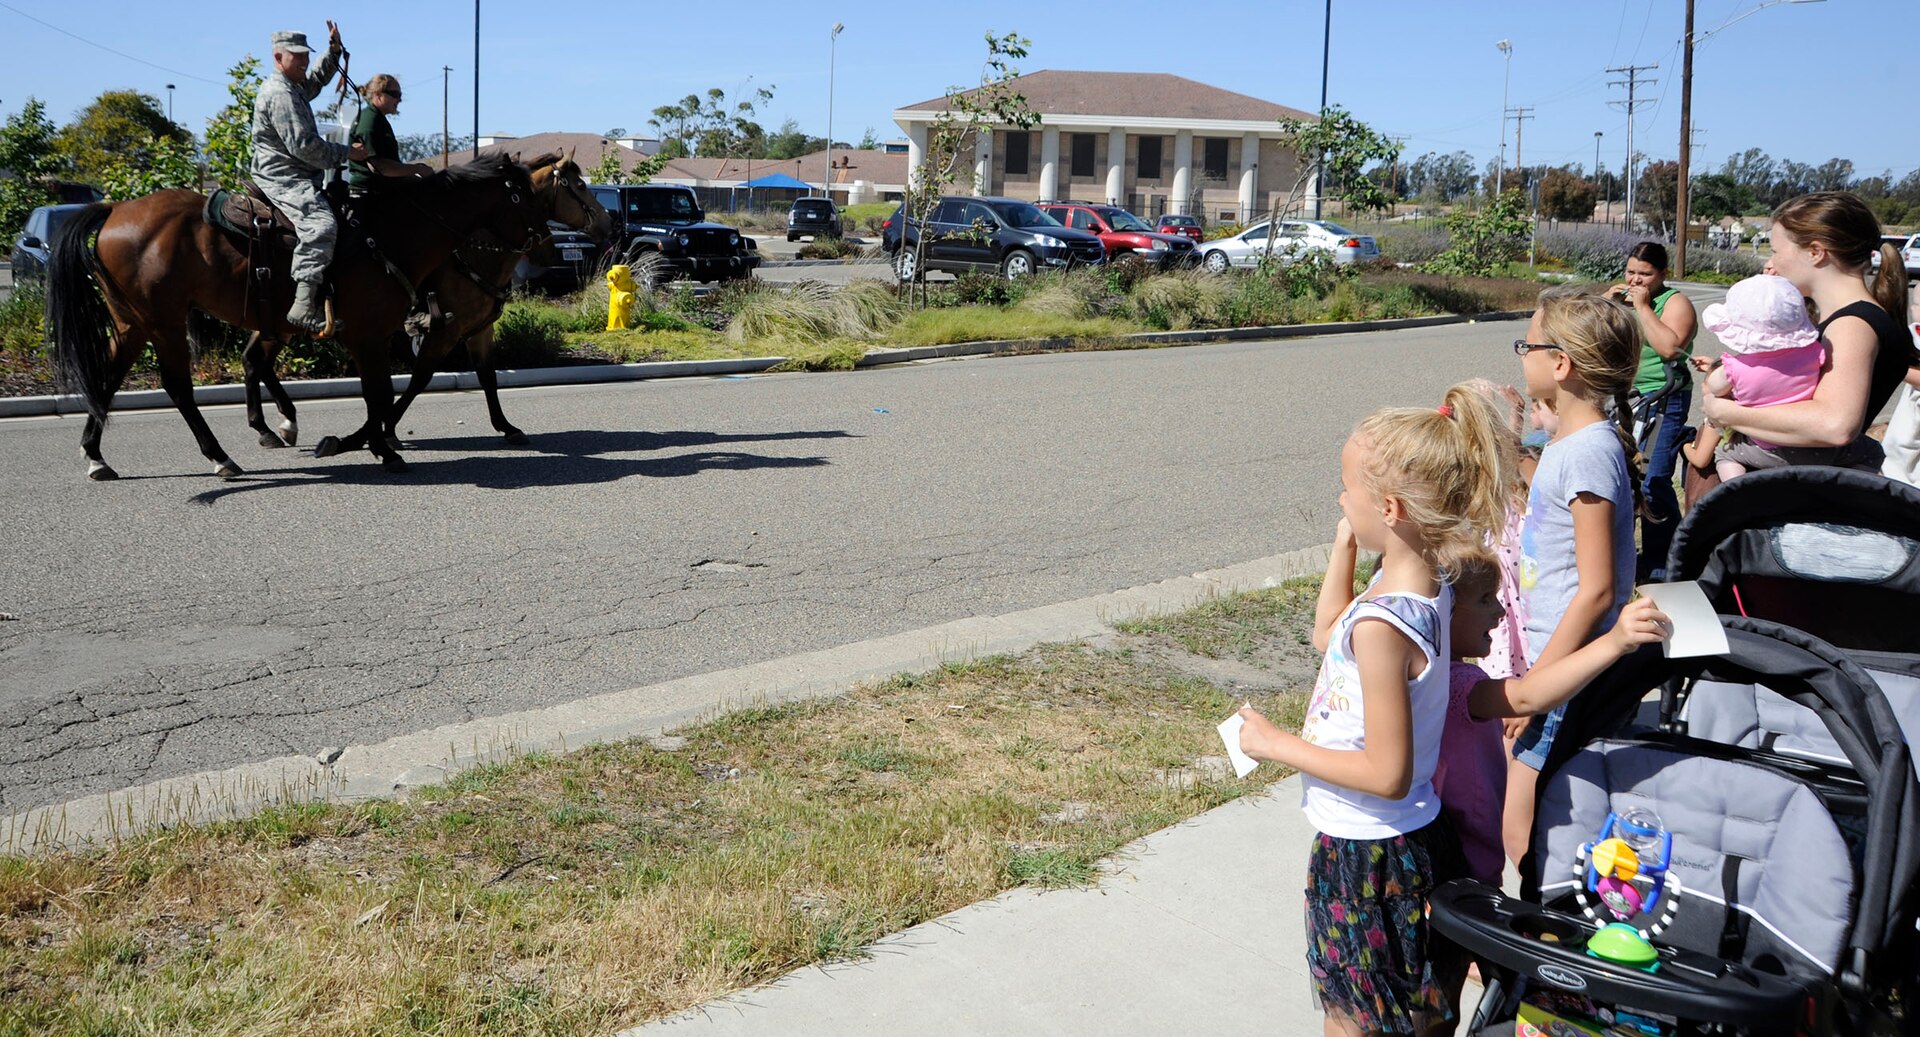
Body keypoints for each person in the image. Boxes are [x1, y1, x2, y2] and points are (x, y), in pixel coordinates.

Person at [1235, 381, 1517, 1037]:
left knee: (1352, 1017)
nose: (1340, 499)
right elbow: (1328, 629)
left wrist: (1275, 744)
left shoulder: (1386, 625)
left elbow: (1387, 770)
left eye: (1348, 490)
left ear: (1389, 506)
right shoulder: (1430, 583)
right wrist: (1349, 544)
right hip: (1406, 843)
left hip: (1367, 852)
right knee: (1411, 1010)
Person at [1504, 286, 1642, 867]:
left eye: (1527, 344)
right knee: (1531, 808)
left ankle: (1540, 939)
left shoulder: (1587, 452)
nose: (1522, 354)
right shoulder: (1573, 442)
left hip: (1568, 666)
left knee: (1524, 822)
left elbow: (1598, 588)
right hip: (1559, 659)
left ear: (1560, 364)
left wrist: (1537, 686)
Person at [1441, 557, 1672, 891]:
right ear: (1442, 612)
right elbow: (1525, 698)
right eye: (1484, 600)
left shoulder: (1432, 678)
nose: (1500, 611)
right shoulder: (1459, 684)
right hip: (1467, 864)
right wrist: (1615, 641)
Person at [1697, 192, 1915, 482]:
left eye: (1776, 250)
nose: (1772, 263)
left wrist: (1726, 411)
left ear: (1815, 251)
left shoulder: (1852, 325)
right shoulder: (1847, 319)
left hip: (1804, 491)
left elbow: (1835, 424)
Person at [251, 24, 369, 333]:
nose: (304, 61)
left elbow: (315, 80)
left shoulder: (293, 87)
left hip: (295, 173)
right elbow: (304, 148)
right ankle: (303, 305)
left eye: (306, 55)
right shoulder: (280, 94)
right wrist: (348, 153)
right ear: (279, 57)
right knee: (321, 225)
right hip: (283, 177)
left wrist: (333, 53)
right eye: (298, 56)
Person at [1608, 242, 1696, 580]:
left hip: (1664, 396)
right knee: (1624, 476)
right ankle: (1626, 554)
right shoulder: (1623, 297)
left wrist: (1643, 307)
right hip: (1626, 398)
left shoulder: (1675, 303)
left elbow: (1669, 348)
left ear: (1662, 274)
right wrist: (1607, 304)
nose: (1635, 280)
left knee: (1653, 479)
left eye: (1645, 274)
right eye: (1631, 272)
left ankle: (1665, 562)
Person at [1691, 274, 1829, 480]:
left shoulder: (1735, 367)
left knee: (1724, 455)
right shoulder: (1815, 351)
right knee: (1869, 451)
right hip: (1811, 443)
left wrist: (1722, 368)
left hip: (1763, 445)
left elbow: (1715, 387)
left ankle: (1736, 489)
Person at [346, 74, 432, 196]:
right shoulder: (370, 121)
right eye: (395, 95)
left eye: (400, 95)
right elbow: (380, 167)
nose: (399, 100)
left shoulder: (377, 118)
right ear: (378, 94)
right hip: (372, 195)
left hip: (382, 191)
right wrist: (417, 169)